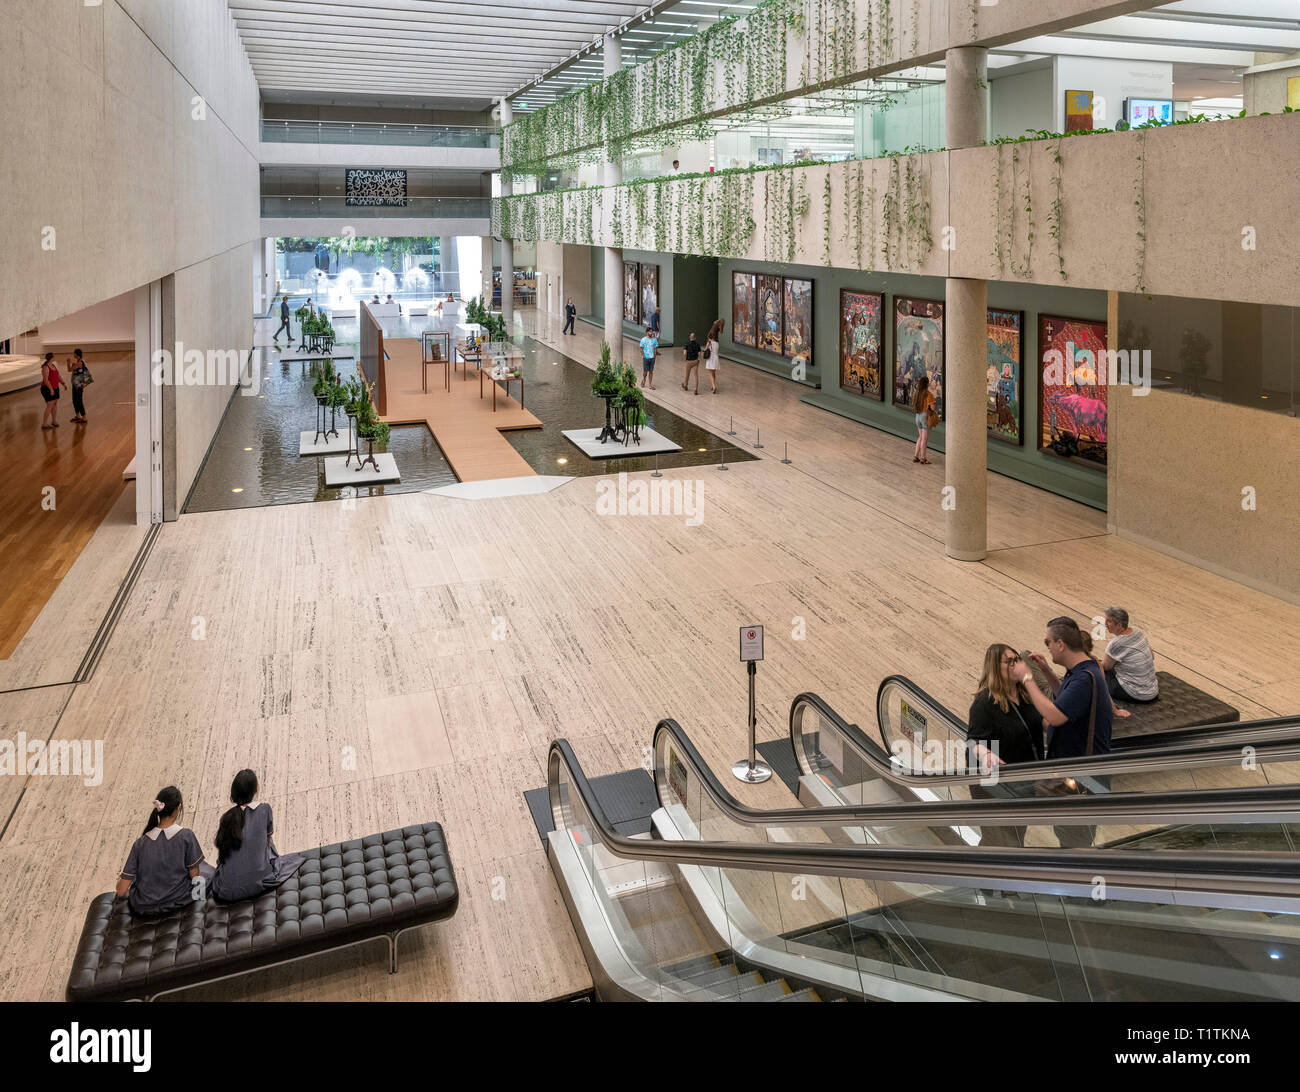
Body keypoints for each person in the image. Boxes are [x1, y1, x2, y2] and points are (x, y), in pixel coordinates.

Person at [967, 644, 1045, 846]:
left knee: (1016, 836)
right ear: (995, 667)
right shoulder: (984, 703)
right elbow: (973, 740)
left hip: (1024, 782)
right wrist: (985, 754)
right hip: (994, 788)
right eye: (1008, 661)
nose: (1015, 665)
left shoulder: (1026, 695)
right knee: (1001, 840)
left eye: (1016, 659)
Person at [1014, 617, 1113, 759]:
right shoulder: (1085, 667)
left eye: (1048, 642)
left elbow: (1054, 717)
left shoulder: (1083, 679)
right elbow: (1068, 698)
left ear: (1060, 644)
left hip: (1078, 770)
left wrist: (1027, 679)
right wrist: (1046, 671)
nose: (1048, 647)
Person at [211, 769, 305, 902]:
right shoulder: (264, 809)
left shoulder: (225, 818)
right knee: (268, 840)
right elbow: (266, 844)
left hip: (228, 891)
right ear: (255, 789)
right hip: (259, 884)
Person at [115, 786, 209, 918]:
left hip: (144, 907)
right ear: (179, 808)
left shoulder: (139, 844)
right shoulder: (186, 836)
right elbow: (195, 876)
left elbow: (121, 891)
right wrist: (199, 898)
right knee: (206, 871)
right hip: (176, 901)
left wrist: (120, 879)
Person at [1100, 607, 1159, 703]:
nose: (1105, 624)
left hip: (1134, 693)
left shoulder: (1116, 643)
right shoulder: (1138, 632)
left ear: (1119, 625)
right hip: (1152, 691)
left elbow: (1105, 667)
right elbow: (1152, 656)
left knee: (1094, 673)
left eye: (1109, 621)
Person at [40, 352, 67, 429]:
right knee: (50, 405)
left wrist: (63, 384)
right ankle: (44, 423)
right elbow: (46, 380)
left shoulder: (53, 365)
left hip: (55, 387)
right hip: (47, 388)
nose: (55, 357)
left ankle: (54, 421)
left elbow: (58, 376)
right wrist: (51, 390)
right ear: (51, 358)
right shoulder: (45, 367)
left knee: (54, 404)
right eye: (54, 356)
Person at [912, 374, 935, 464]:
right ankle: (923, 458)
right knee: (924, 439)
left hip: (918, 416)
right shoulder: (928, 394)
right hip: (925, 417)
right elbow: (932, 408)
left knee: (920, 437)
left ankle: (916, 456)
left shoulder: (917, 393)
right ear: (927, 384)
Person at [69, 348, 92, 423]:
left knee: (78, 400)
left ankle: (84, 417)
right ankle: (78, 415)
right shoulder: (78, 362)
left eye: (74, 353)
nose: (73, 355)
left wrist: (68, 362)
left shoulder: (80, 363)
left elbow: (69, 369)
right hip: (75, 384)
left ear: (77, 354)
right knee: (74, 400)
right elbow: (72, 369)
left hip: (78, 384)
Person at [703, 318, 724, 393]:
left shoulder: (711, 331)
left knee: (710, 372)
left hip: (711, 346)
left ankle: (714, 387)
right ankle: (713, 386)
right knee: (713, 372)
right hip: (716, 346)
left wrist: (705, 349)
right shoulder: (716, 332)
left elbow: (708, 341)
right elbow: (721, 331)